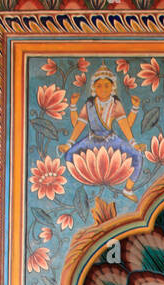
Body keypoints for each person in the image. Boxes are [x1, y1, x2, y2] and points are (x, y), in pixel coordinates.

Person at [58, 65, 145, 201]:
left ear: (112, 87)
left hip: (111, 140)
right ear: (94, 88)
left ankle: (127, 189)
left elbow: (125, 125)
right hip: (91, 140)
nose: (103, 89)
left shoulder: (115, 104)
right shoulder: (89, 104)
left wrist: (134, 142)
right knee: (69, 155)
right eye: (99, 86)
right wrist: (69, 144)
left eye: (106, 85)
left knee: (137, 156)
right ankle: (83, 186)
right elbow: (79, 125)